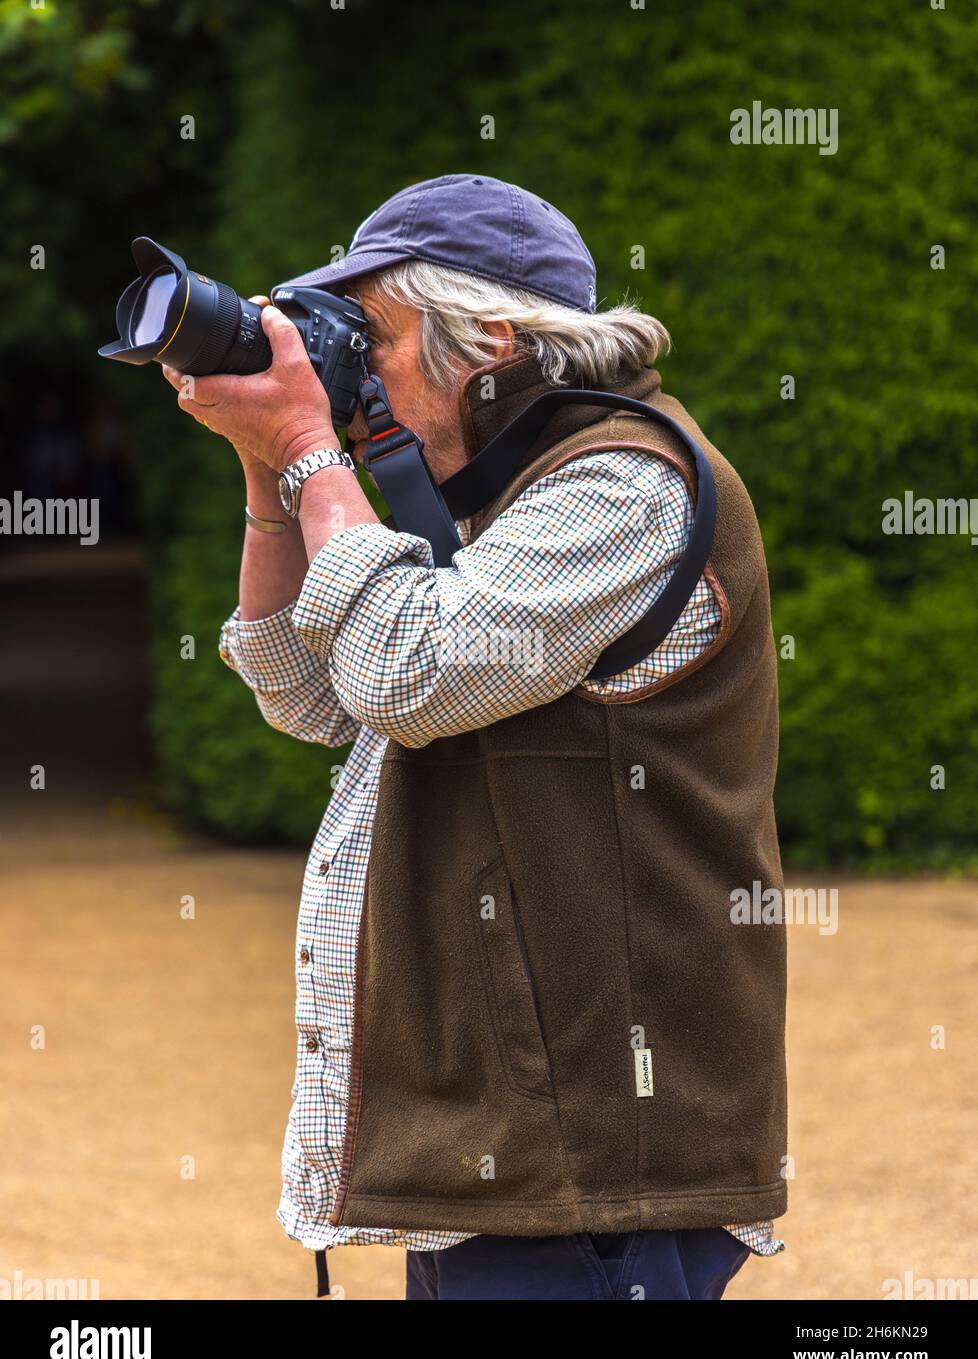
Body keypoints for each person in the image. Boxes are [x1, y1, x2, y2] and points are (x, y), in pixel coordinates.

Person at [161, 174, 788, 1300]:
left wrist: (312, 449)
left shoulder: (623, 487)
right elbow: (309, 689)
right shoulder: (495, 497)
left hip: (597, 1159)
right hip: (515, 1149)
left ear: (489, 338)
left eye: (376, 341)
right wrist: (274, 469)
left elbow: (406, 670)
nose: (357, 375)